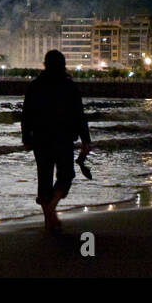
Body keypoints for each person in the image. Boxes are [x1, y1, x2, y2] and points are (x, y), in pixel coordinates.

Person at [21, 49, 91, 231]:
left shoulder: (35, 85)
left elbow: (26, 115)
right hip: (63, 137)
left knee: (44, 179)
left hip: (41, 139)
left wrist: (26, 137)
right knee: (66, 176)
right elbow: (79, 115)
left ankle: (49, 218)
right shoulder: (69, 86)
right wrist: (86, 140)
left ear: (45, 64)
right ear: (63, 65)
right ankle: (51, 211)